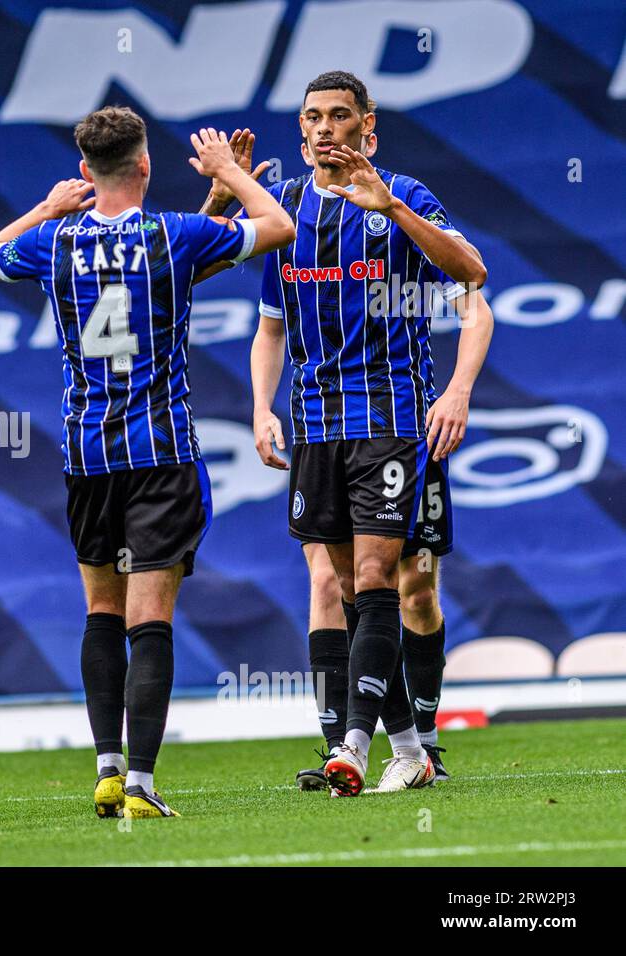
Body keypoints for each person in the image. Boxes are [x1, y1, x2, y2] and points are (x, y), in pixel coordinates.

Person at [0, 106, 294, 817]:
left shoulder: (53, 243)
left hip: (89, 456)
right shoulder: (171, 236)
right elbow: (279, 228)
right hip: (160, 453)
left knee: (100, 609)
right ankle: (144, 786)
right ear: (146, 164)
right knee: (150, 619)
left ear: (86, 171)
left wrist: (45, 208)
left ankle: (108, 771)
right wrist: (231, 174)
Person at [242, 71, 493, 795]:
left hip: (394, 420)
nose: (325, 129)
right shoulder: (286, 211)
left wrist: (458, 391)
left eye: (340, 116)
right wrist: (263, 406)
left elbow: (472, 280)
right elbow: (270, 325)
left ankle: (386, 741)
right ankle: (368, 746)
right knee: (337, 581)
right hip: (317, 427)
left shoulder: (405, 199)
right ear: (302, 130)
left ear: (367, 129)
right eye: (314, 117)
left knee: (408, 580)